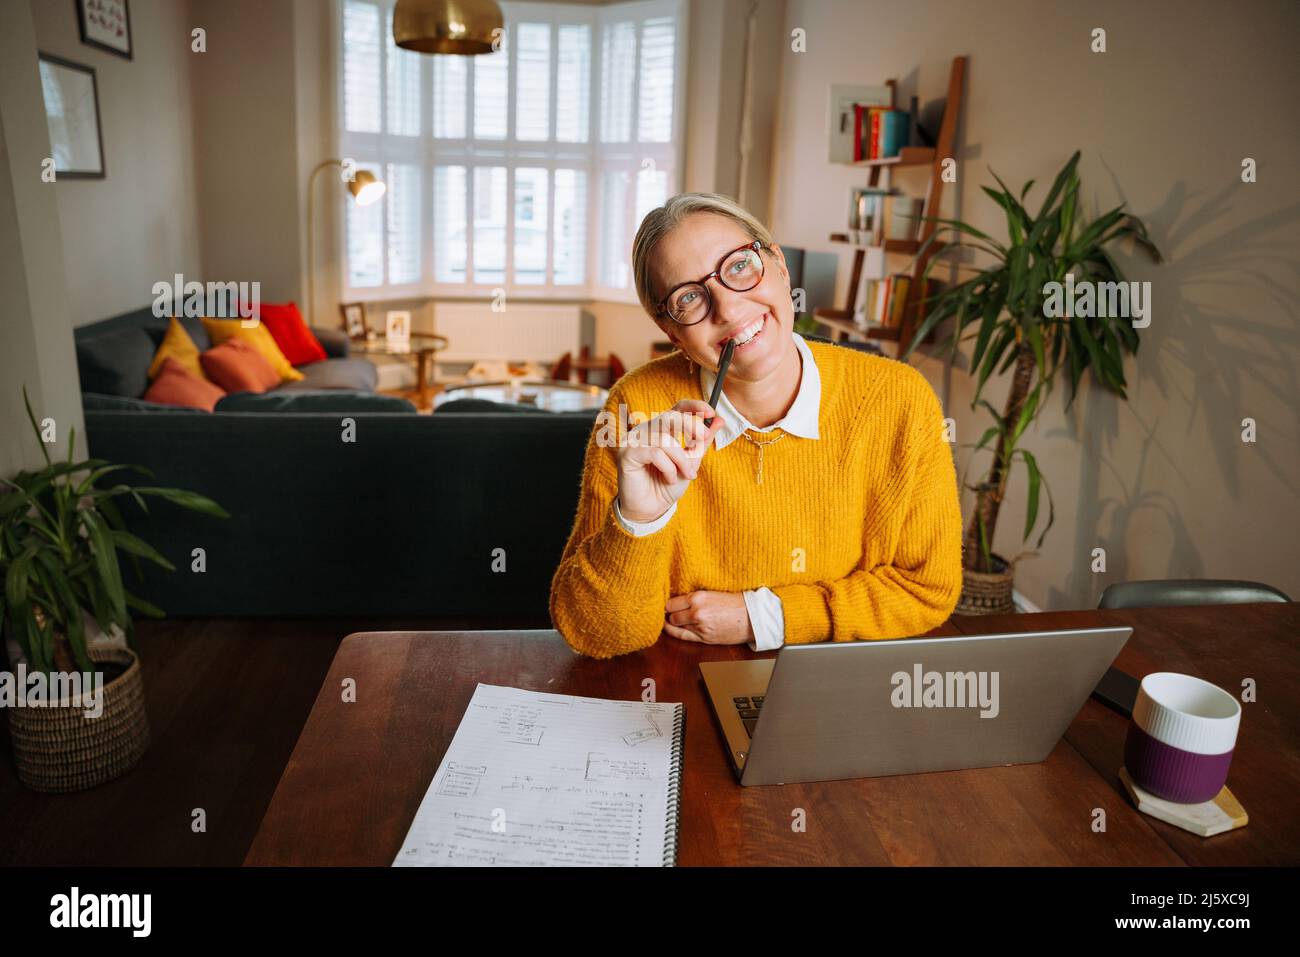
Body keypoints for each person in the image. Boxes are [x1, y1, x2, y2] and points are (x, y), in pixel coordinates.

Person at [549, 192, 962, 659]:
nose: (727, 308)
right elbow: (599, 636)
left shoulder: (899, 398)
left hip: (836, 685)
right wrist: (640, 520)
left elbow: (926, 590)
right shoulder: (638, 406)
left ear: (779, 265)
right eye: (688, 297)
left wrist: (762, 615)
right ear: (672, 333)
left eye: (739, 266)